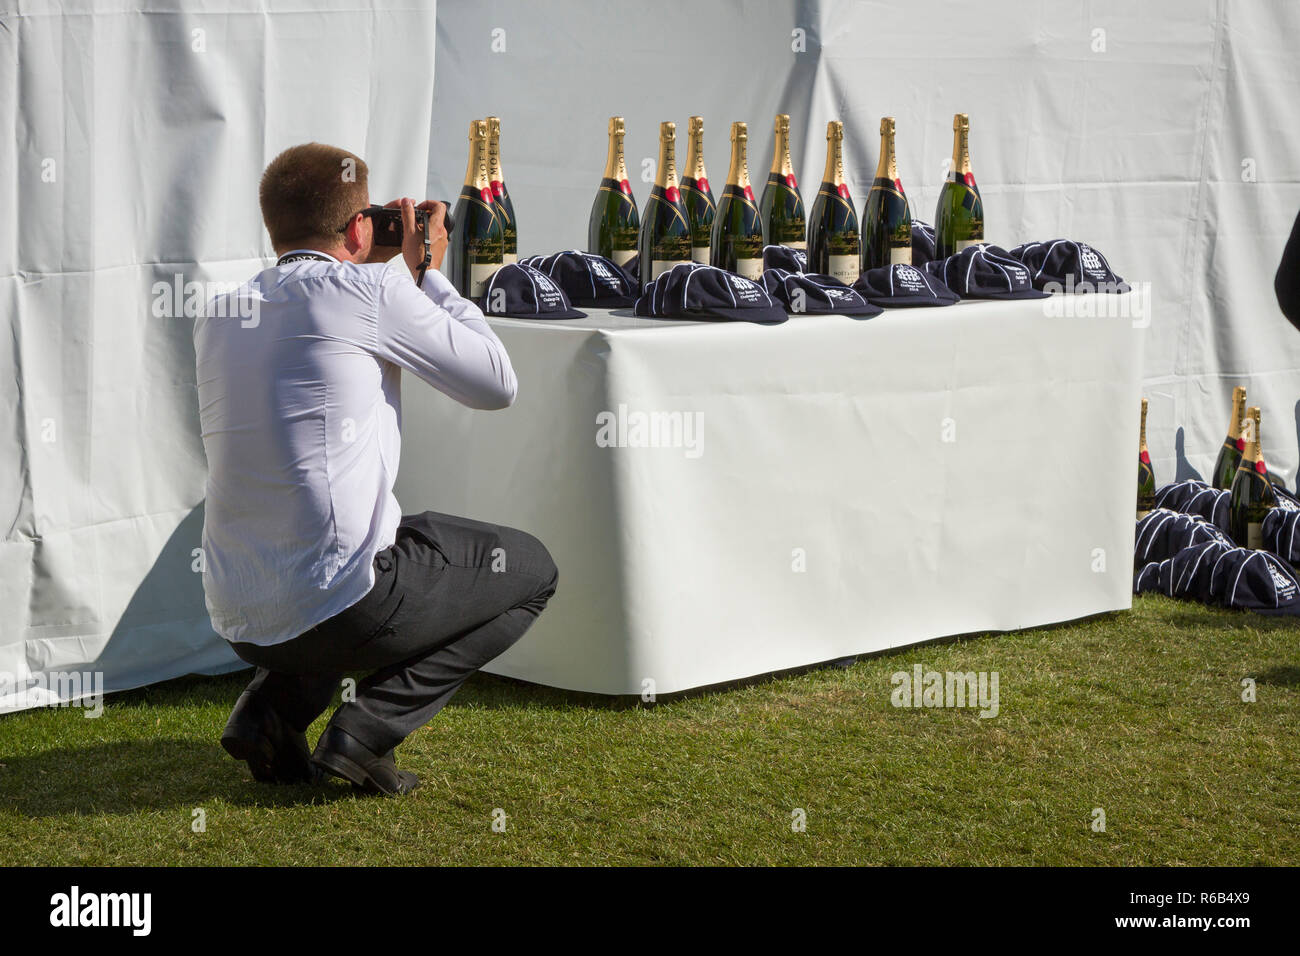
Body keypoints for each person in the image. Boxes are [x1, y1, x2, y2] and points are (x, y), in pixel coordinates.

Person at [193, 143, 557, 796]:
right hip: (338, 603)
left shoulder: (221, 313)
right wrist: (427, 276)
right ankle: (365, 730)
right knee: (527, 570)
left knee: (383, 539)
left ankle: (268, 711)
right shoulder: (364, 293)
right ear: (362, 227)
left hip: (238, 613)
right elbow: (497, 382)